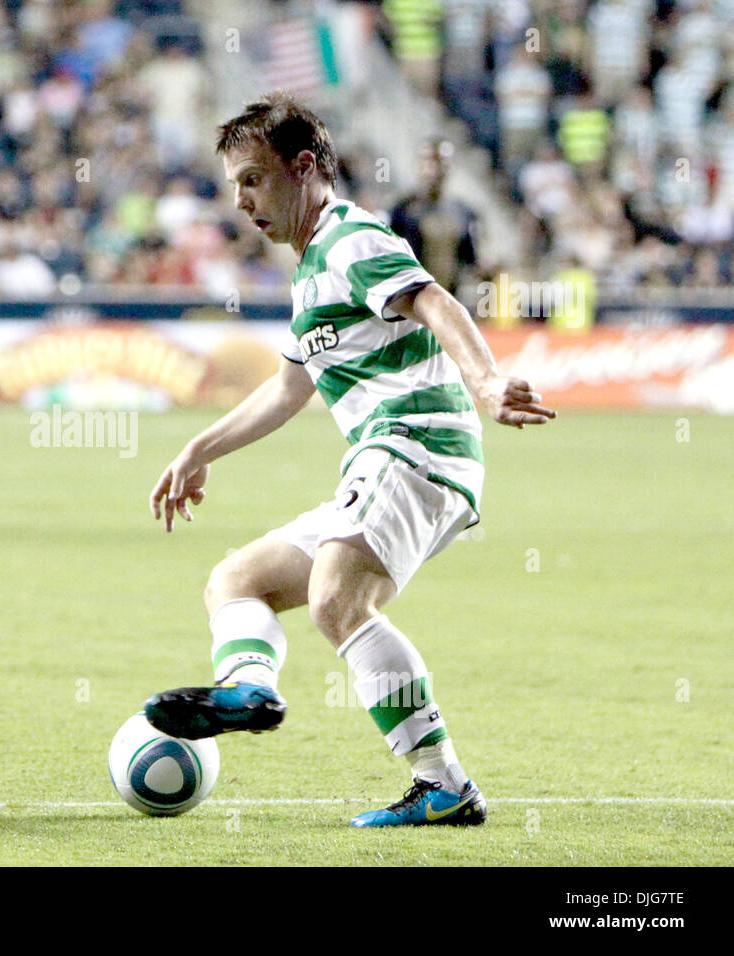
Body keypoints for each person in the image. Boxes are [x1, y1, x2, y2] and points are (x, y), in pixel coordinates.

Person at [145, 93, 555, 827]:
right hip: (384, 458)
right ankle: (248, 688)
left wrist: (486, 380)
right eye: (235, 184)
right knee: (237, 580)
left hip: (418, 444)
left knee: (338, 599)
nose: (241, 202)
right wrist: (198, 449)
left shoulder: (350, 240)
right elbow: (288, 389)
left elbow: (436, 303)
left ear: (303, 169)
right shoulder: (310, 274)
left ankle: (444, 788)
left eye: (252, 180)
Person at [389, 140, 478, 296]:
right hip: (411, 303)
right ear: (420, 165)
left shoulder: (462, 212)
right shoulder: (402, 210)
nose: (436, 169)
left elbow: (471, 261)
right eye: (430, 161)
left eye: (442, 161)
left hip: (450, 300)